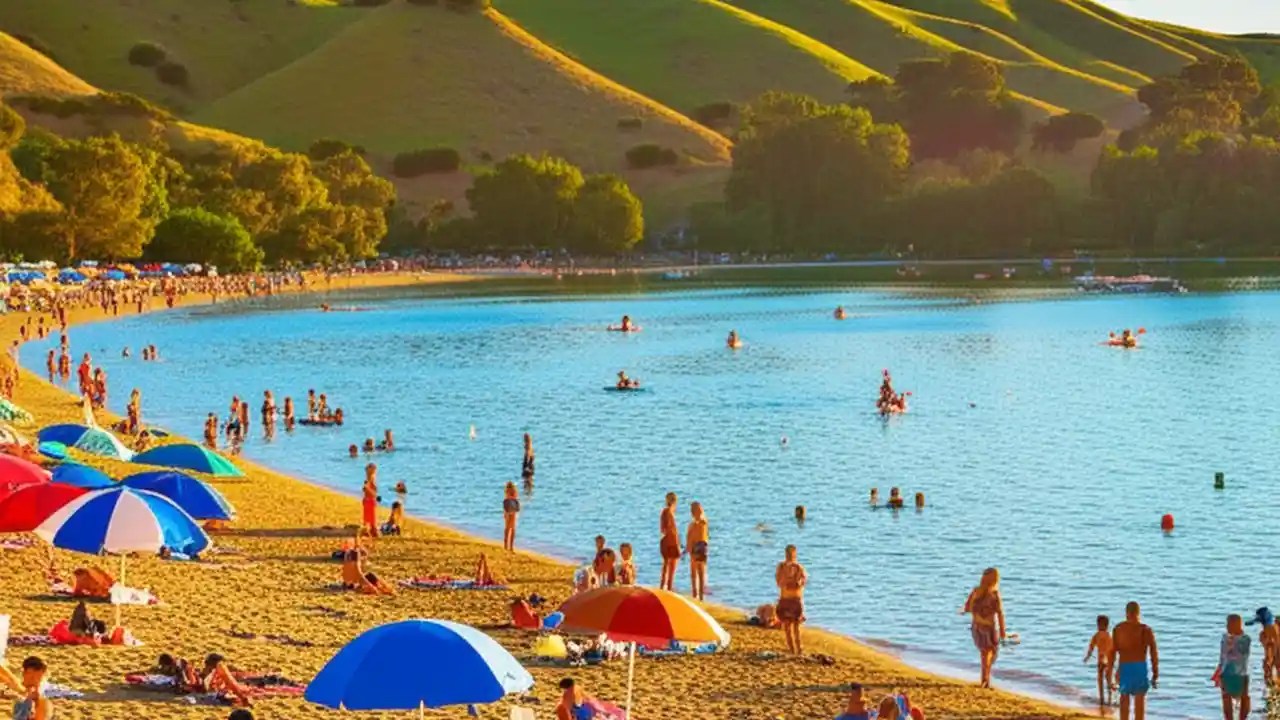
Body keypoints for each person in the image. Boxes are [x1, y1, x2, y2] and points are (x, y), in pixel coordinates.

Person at [1110, 601, 1158, 720]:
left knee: (1124, 702)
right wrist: (1155, 673)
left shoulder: (1118, 629)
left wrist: (1110, 674)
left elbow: (1112, 653)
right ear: (1138, 613)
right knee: (1139, 704)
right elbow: (1153, 653)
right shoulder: (1146, 630)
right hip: (1139, 669)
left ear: (1126, 613)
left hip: (1124, 668)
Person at [962, 567, 1005, 689]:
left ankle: (985, 678)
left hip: (978, 626)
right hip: (989, 628)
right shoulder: (994, 594)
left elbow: (967, 608)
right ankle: (985, 679)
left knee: (986, 654)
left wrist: (976, 613)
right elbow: (1000, 613)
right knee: (990, 653)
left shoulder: (976, 591)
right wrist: (1002, 631)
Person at [1216, 613, 1250, 720]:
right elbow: (1222, 656)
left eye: (1229, 624)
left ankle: (1242, 718)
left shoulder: (1245, 639)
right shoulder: (1225, 638)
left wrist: (1233, 641)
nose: (1227, 627)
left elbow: (1242, 653)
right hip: (1226, 672)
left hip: (1241, 673)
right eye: (1227, 624)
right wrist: (1218, 671)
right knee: (1226, 698)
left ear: (1237, 625)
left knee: (1244, 697)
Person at [776, 545, 807, 655]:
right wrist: (788, 580)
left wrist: (796, 581)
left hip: (796, 600)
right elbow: (779, 582)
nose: (789, 556)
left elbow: (802, 582)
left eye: (791, 554)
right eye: (788, 554)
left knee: (796, 627)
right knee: (787, 626)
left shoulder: (799, 567)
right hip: (785, 599)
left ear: (795, 554)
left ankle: (799, 650)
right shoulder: (781, 567)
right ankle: (791, 649)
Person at [0, 655, 51, 720]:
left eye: (38, 678)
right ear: (23, 673)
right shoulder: (14, 687)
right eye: (31, 677)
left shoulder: (43, 701)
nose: (34, 681)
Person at [1084, 614, 1115, 706]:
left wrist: (1087, 657)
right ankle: (1110, 698)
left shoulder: (1097, 635)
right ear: (1107, 625)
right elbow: (1114, 648)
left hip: (1101, 659)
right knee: (1109, 678)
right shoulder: (1109, 635)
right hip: (1109, 660)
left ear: (1098, 625)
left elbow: (1091, 647)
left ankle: (1102, 698)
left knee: (1100, 679)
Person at [686, 501, 709, 601]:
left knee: (698, 572)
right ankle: (697, 594)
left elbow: (691, 537)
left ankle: (698, 595)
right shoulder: (696, 523)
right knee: (696, 572)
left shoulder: (699, 523)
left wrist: (689, 548)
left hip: (699, 547)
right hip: (699, 547)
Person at [659, 492, 680, 591]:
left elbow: (663, 529)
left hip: (665, 540)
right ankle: (669, 587)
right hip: (671, 541)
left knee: (666, 564)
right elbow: (670, 529)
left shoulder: (664, 512)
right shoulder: (668, 512)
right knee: (671, 565)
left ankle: (663, 586)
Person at [361, 463, 379, 538]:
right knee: (370, 517)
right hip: (369, 499)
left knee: (369, 517)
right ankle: (371, 530)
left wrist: (366, 488)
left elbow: (372, 489)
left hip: (369, 499)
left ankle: (370, 531)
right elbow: (371, 489)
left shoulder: (371, 478)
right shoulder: (370, 478)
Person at [502, 481, 520, 551]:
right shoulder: (507, 499)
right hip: (510, 512)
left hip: (512, 511)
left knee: (511, 529)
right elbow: (506, 506)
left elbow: (517, 506)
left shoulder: (511, 498)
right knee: (509, 528)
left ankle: (509, 546)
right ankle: (507, 546)